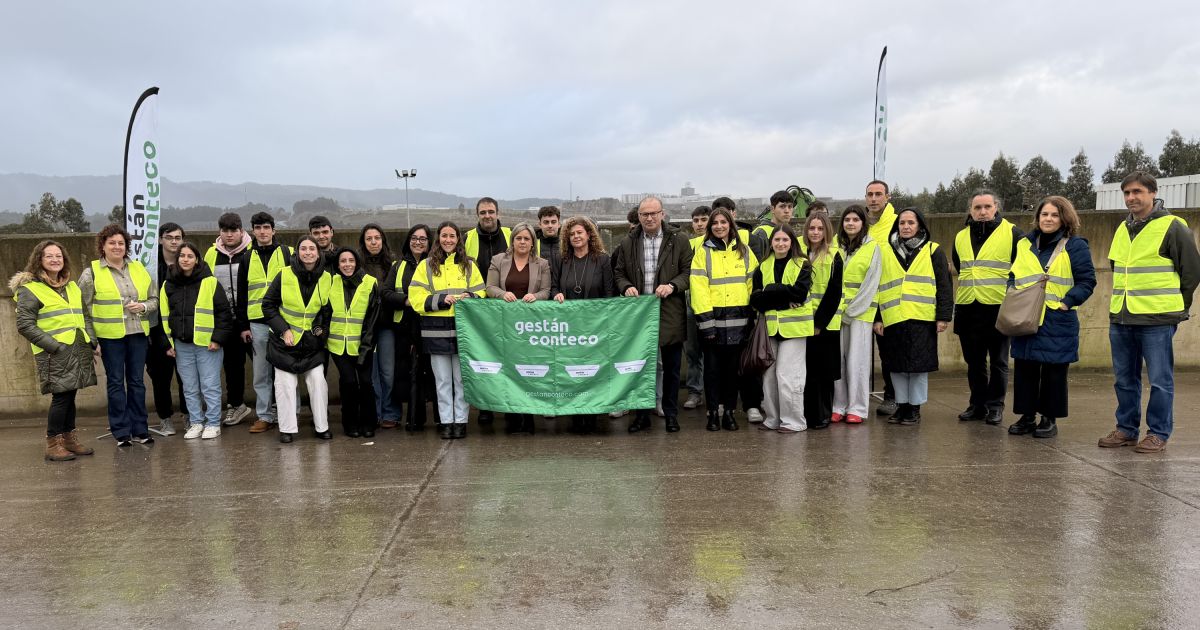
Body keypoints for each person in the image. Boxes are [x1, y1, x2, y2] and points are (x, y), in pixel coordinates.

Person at [1099, 171, 1200, 453]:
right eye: (1127, 193)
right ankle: (1126, 429)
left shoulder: (1173, 226)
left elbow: (1191, 272)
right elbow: (1120, 270)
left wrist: (1178, 307)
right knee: (1124, 379)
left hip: (1157, 318)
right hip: (1121, 316)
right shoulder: (1122, 228)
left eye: (1137, 192)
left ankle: (1158, 433)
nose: (1131, 197)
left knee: (1159, 380)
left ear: (1153, 193)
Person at [1007, 196, 1096, 438]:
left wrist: (1067, 303)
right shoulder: (1024, 243)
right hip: (1026, 316)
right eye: (1044, 214)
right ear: (1037, 217)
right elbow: (1014, 274)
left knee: (1054, 372)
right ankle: (1026, 416)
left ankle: (1049, 418)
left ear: (1064, 218)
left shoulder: (1075, 246)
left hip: (1057, 318)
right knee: (1025, 369)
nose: (1048, 219)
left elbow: (1087, 281)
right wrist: (1011, 291)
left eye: (1054, 215)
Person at [11, 240, 97, 461]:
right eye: (49, 256)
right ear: (39, 259)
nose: (55, 259)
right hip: (54, 352)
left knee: (71, 395)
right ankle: (52, 443)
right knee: (61, 398)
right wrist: (54, 346)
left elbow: (84, 316)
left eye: (58, 255)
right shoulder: (30, 289)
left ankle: (69, 439)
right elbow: (25, 325)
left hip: (77, 348)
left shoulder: (71, 286)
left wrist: (91, 340)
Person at [613, 196, 692, 433]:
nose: (649, 218)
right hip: (639, 314)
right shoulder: (628, 242)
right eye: (644, 214)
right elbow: (618, 272)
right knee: (641, 367)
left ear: (662, 214)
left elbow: (689, 272)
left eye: (653, 213)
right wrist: (626, 286)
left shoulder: (679, 240)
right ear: (638, 217)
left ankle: (670, 413)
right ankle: (641, 415)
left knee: (671, 366)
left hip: (669, 310)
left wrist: (673, 286)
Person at [873, 208, 953, 425]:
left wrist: (943, 316)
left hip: (922, 318)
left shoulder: (932, 250)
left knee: (917, 366)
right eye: (902, 223)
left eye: (911, 223)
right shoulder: (885, 251)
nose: (906, 227)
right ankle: (901, 406)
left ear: (920, 226)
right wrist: (877, 318)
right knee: (896, 365)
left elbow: (944, 285)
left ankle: (914, 409)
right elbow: (877, 287)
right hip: (893, 317)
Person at [80, 224, 157, 447]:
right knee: (115, 383)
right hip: (109, 338)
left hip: (137, 334)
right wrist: (92, 340)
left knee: (137, 382)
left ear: (127, 247)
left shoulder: (139, 269)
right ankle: (121, 432)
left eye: (121, 243)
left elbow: (154, 300)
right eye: (111, 242)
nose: (117, 246)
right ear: (102, 246)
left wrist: (142, 306)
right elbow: (82, 308)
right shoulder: (91, 273)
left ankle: (140, 429)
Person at [951, 190, 1024, 426]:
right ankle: (977, 405)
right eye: (977, 208)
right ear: (970, 211)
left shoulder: (1013, 234)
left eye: (987, 207)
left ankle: (995, 407)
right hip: (968, 307)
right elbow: (961, 267)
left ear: (996, 208)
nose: (982, 212)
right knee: (974, 362)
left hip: (998, 307)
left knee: (999, 362)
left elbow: (1023, 269)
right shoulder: (961, 236)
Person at [408, 222, 486, 439]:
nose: (448, 240)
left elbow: (481, 293)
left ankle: (460, 422)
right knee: (442, 380)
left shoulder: (469, 265)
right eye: (444, 235)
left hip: (463, 329)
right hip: (436, 331)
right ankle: (446, 422)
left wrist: (469, 298)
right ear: (438, 238)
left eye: (452, 236)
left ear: (458, 239)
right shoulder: (425, 266)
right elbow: (415, 298)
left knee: (461, 380)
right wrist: (441, 300)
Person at [161, 243, 236, 439]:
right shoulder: (168, 284)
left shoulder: (209, 282)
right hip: (182, 345)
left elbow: (223, 314)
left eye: (190, 256)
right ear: (177, 259)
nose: (185, 259)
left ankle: (212, 423)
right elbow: (163, 316)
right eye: (182, 256)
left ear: (197, 260)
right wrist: (168, 344)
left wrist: (217, 339)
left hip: (207, 345)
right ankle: (196, 422)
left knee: (210, 386)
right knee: (190, 387)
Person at [691, 207, 756, 431]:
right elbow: (698, 290)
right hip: (713, 324)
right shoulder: (703, 252)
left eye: (723, 222)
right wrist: (707, 324)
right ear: (710, 227)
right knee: (712, 372)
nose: (719, 226)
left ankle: (728, 412)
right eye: (715, 223)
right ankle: (712, 414)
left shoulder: (745, 251)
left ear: (730, 225)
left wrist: (751, 318)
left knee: (732, 373)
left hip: (739, 323)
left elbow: (752, 285)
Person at [262, 237, 333, 443]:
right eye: (304, 248)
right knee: (284, 383)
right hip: (285, 342)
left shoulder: (327, 277)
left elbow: (327, 310)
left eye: (312, 249)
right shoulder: (283, 274)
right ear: (298, 252)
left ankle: (322, 426)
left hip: (312, 343)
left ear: (318, 253)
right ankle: (287, 428)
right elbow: (268, 305)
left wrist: (320, 329)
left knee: (318, 381)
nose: (308, 252)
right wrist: (283, 330)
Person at [551, 216, 616, 434]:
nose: (576, 237)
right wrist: (557, 294)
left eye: (580, 232)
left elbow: (609, 293)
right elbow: (553, 287)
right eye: (571, 234)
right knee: (572, 371)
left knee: (592, 371)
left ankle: (592, 413)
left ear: (589, 234)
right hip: (569, 328)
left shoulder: (603, 260)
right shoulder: (562, 260)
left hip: (594, 327)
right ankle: (575, 413)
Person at [486, 222, 552, 434]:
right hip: (505, 325)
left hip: (531, 327)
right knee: (509, 370)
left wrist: (536, 296)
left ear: (533, 242)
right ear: (512, 240)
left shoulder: (542, 263)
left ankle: (528, 416)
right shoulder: (498, 260)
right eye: (518, 238)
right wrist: (501, 294)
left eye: (526, 238)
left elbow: (547, 290)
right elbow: (490, 287)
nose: (522, 242)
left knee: (529, 371)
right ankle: (512, 416)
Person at [749, 225, 812, 432]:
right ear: (771, 243)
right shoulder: (763, 266)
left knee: (788, 376)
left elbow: (800, 294)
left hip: (794, 330)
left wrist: (771, 291)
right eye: (777, 240)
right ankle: (773, 419)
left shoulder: (802, 264)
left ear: (792, 242)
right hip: (770, 329)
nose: (781, 244)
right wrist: (783, 296)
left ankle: (794, 421)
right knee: (769, 376)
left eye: (785, 240)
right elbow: (756, 300)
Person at [463, 197, 511, 426]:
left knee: (511, 358)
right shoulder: (468, 238)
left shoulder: (512, 235)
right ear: (477, 215)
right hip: (479, 310)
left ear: (498, 213)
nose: (487, 216)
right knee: (484, 361)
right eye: (483, 212)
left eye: (491, 211)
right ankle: (485, 407)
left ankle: (512, 404)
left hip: (508, 307)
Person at [382, 225, 435, 431]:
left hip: (430, 324)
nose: (418, 242)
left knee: (431, 373)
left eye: (423, 239)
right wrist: (406, 300)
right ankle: (413, 418)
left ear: (430, 242)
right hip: (404, 327)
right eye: (414, 238)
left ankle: (438, 418)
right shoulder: (398, 266)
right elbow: (385, 293)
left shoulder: (435, 264)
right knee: (407, 373)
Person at [831, 205, 881, 425]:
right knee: (837, 362)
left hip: (859, 314)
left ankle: (857, 408)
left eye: (855, 220)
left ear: (863, 223)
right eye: (847, 219)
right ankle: (838, 405)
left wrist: (851, 312)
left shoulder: (872, 247)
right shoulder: (834, 245)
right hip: (835, 313)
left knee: (857, 362)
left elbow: (871, 284)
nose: (850, 223)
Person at [203, 212, 254, 427]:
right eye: (225, 231)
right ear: (219, 232)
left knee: (264, 365)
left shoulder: (252, 252)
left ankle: (272, 407)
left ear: (241, 231)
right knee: (233, 366)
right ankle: (236, 405)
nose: (230, 234)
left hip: (252, 319)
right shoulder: (211, 254)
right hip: (225, 321)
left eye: (234, 230)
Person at [245, 211, 293, 434]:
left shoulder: (287, 253)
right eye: (258, 228)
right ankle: (264, 416)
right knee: (261, 373)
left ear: (274, 230)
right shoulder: (246, 257)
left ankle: (290, 414)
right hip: (257, 322)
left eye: (266, 227)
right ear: (252, 231)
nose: (262, 232)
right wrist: (244, 326)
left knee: (287, 370)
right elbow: (241, 294)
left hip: (283, 321)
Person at [328, 247, 381, 438]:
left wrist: (366, 347)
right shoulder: (330, 282)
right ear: (337, 264)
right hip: (338, 345)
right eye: (343, 261)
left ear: (357, 262)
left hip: (364, 345)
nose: (347, 265)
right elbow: (325, 311)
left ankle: (369, 422)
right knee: (348, 382)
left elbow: (373, 319)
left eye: (351, 260)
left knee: (366, 382)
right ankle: (350, 423)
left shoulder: (370, 283)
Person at [801, 212, 843, 430]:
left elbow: (834, 292)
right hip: (801, 322)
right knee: (807, 373)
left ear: (827, 231)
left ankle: (822, 416)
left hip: (824, 324)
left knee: (824, 374)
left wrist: (819, 323)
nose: (815, 232)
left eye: (819, 228)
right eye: (811, 228)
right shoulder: (800, 253)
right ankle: (808, 414)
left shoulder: (835, 255)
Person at [146, 222, 188, 434]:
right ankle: (165, 418)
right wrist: (162, 339)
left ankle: (189, 416)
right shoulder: (150, 267)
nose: (174, 241)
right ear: (160, 239)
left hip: (184, 330)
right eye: (169, 237)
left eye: (178, 237)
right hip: (157, 330)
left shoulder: (188, 263)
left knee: (186, 378)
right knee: (161, 378)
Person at [358, 223, 400, 430]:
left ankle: (390, 411)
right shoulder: (356, 264)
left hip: (386, 325)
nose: (373, 242)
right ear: (363, 242)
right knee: (370, 373)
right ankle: (374, 411)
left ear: (383, 240)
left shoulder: (393, 263)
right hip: (364, 327)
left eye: (377, 238)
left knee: (388, 371)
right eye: (369, 238)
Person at [865, 180, 899, 416]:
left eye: (879, 194)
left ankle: (892, 396)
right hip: (862, 296)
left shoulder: (897, 224)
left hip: (888, 296)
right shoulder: (861, 223)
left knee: (888, 352)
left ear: (888, 197)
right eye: (870, 194)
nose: (874, 199)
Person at [682, 205, 710, 410]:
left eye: (703, 220)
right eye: (696, 220)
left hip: (713, 303)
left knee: (713, 352)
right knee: (692, 350)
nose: (699, 224)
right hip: (690, 302)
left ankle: (714, 392)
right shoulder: (687, 244)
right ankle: (694, 391)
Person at [750, 191, 795, 261]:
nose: (787, 210)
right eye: (782, 206)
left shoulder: (789, 231)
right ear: (772, 209)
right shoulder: (761, 233)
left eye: (790, 206)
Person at [535, 205, 562, 270]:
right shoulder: (533, 245)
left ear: (559, 224)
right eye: (546, 222)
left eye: (553, 222)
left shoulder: (567, 244)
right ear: (540, 224)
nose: (550, 226)